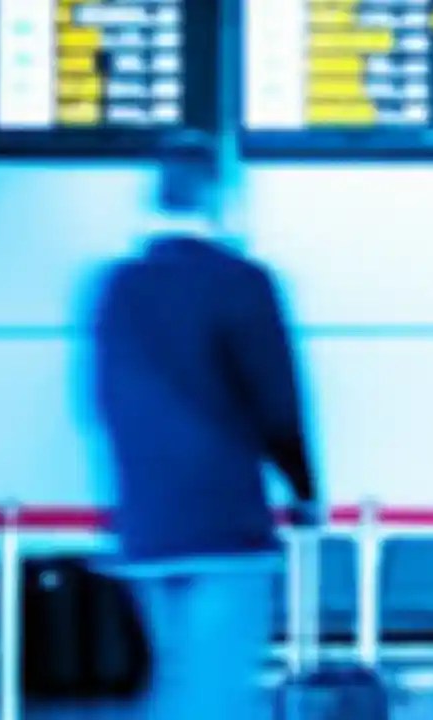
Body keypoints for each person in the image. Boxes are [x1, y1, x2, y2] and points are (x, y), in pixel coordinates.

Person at [90, 131, 320, 719]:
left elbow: (97, 400)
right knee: (215, 694)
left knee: (178, 681)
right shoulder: (241, 282)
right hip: (224, 523)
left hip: (147, 524)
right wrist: (303, 488)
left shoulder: (118, 288)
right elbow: (277, 404)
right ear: (221, 196)